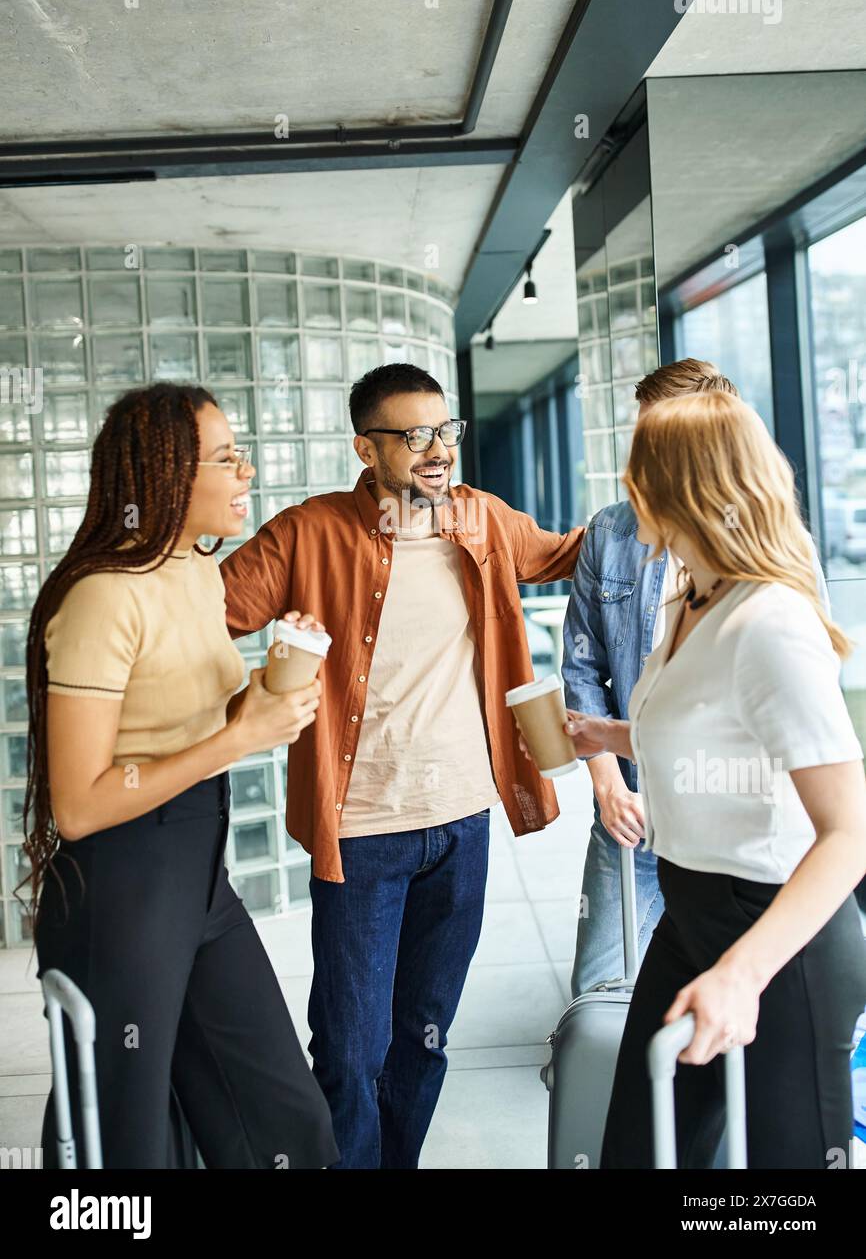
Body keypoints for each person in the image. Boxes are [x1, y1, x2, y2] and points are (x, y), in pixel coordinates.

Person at [218, 362, 585, 1169]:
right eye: (413, 434)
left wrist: (673, 497)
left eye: (444, 431)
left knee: (425, 1038)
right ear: (365, 447)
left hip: (462, 822)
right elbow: (208, 614)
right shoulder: (308, 533)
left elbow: (570, 555)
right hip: (363, 833)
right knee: (351, 1051)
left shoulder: (482, 521)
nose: (436, 450)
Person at [25, 383, 338, 1170]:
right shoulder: (102, 597)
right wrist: (242, 736)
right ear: (167, 475)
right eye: (228, 457)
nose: (249, 471)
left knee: (279, 1111)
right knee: (125, 1135)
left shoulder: (196, 572)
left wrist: (273, 681)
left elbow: (203, 715)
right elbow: (80, 804)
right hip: (120, 884)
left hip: (198, 875)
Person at [558, 390, 866, 1168]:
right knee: (636, 1150)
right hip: (689, 910)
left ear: (684, 486)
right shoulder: (690, 596)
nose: (628, 484)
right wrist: (610, 735)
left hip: (776, 935)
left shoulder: (771, 623)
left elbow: (850, 833)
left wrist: (743, 972)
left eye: (642, 468)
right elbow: (715, 729)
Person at [562, 360, 830, 999]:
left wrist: (740, 975)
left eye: (653, 448)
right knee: (601, 1005)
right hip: (644, 819)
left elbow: (844, 823)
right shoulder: (642, 556)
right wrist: (604, 753)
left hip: (740, 858)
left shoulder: (769, 607)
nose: (633, 471)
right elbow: (591, 671)